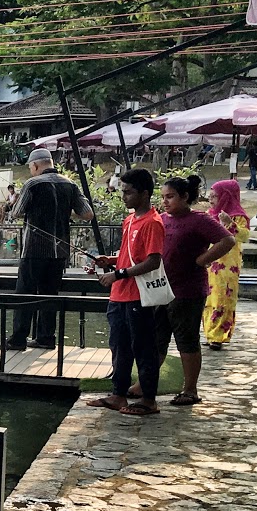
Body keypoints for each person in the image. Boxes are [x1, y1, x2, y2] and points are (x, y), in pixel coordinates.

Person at [149, 173, 234, 406]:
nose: (165, 201)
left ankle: (190, 389)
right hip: (161, 288)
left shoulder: (199, 220)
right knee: (156, 339)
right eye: (163, 197)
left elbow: (227, 241)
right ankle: (147, 383)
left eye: (171, 197)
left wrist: (203, 259)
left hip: (187, 290)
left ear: (185, 197)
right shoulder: (161, 219)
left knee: (186, 340)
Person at [87, 168, 166, 416]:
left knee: (143, 347)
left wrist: (118, 274)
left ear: (144, 193)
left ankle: (149, 399)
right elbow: (128, 256)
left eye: (129, 192)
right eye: (123, 191)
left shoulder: (153, 223)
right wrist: (110, 261)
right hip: (119, 295)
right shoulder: (129, 220)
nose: (124, 196)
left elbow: (153, 261)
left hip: (138, 295)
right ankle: (118, 394)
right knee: (119, 345)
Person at [0, 148, 93, 350]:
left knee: (25, 293)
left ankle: (18, 339)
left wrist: (14, 203)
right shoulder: (70, 184)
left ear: (35, 165)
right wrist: (65, 212)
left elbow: (16, 213)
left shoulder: (32, 184)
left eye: (30, 167)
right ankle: (45, 337)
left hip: (34, 249)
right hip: (60, 251)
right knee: (50, 294)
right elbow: (88, 214)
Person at [203, 179, 250, 349]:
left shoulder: (238, 216)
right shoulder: (210, 214)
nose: (211, 200)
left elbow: (244, 236)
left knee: (224, 297)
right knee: (209, 297)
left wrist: (231, 224)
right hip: (210, 263)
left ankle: (218, 336)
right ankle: (209, 333)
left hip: (228, 264)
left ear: (225, 196)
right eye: (210, 196)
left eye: (215, 196)